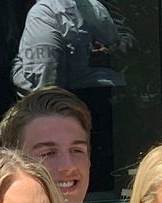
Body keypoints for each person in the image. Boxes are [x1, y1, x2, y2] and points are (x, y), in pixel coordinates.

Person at [13, 0, 127, 192]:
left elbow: (44, 84)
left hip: (69, 112)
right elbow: (122, 46)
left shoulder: (43, 13)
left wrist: (15, 70)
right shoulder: (96, 8)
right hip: (107, 106)